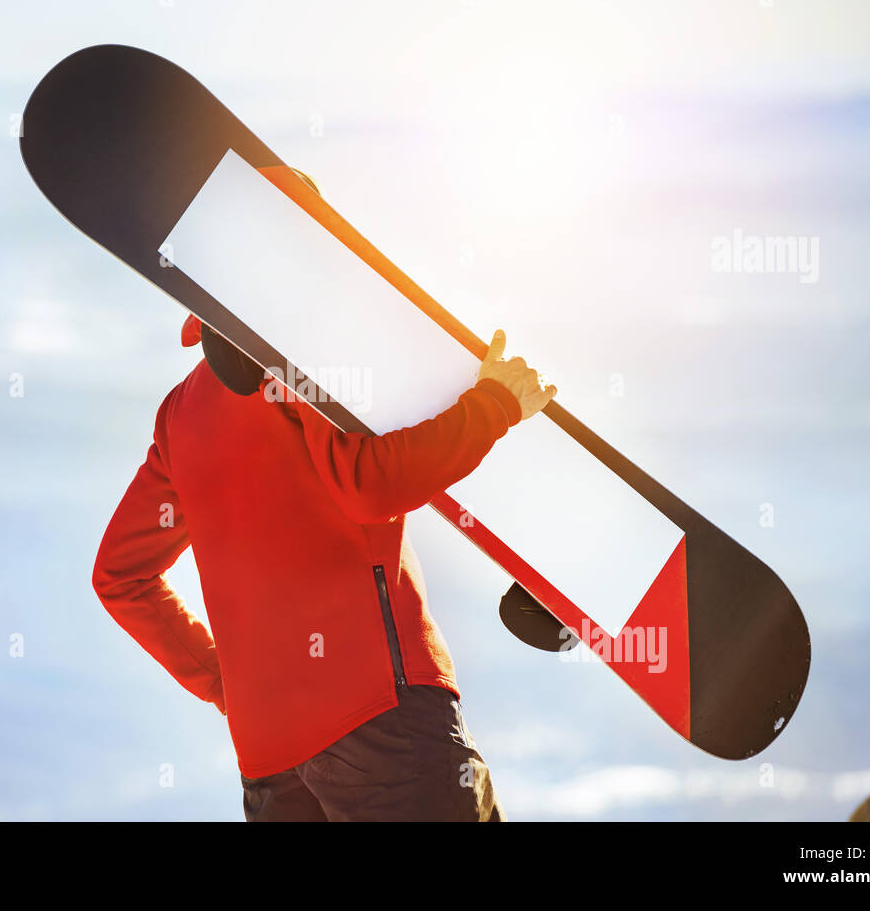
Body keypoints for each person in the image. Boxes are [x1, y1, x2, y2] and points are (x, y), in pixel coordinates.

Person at [92, 172, 556, 821]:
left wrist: (226, 680)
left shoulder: (181, 412)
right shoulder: (303, 356)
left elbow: (119, 575)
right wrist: (494, 405)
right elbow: (368, 485)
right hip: (380, 722)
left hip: (268, 762)